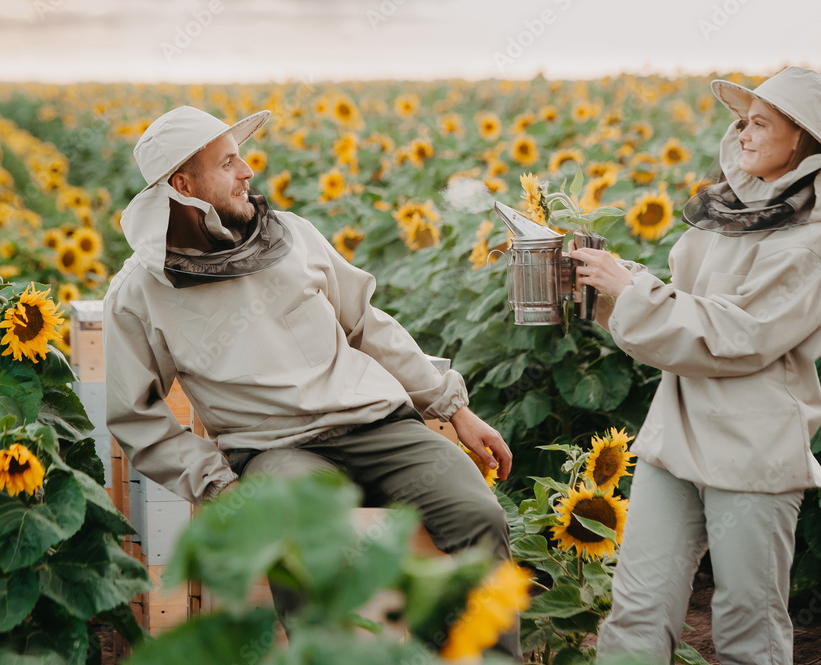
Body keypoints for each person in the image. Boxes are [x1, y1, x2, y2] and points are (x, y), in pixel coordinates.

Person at [103, 105, 519, 658]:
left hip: (377, 426)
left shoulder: (293, 235)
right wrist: (219, 484)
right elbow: (135, 414)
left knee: (479, 516)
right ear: (184, 183)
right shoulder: (138, 291)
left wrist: (454, 408)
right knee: (301, 547)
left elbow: (368, 323)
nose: (248, 171)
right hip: (274, 451)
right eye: (228, 163)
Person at [570, 66, 821, 665]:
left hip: (750, 448)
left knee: (746, 629)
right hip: (675, 433)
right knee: (636, 612)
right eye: (741, 122)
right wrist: (610, 282)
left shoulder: (809, 240)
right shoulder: (731, 211)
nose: (742, 134)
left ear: (804, 141)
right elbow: (685, 311)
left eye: (761, 123)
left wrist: (630, 293)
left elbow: (736, 335)